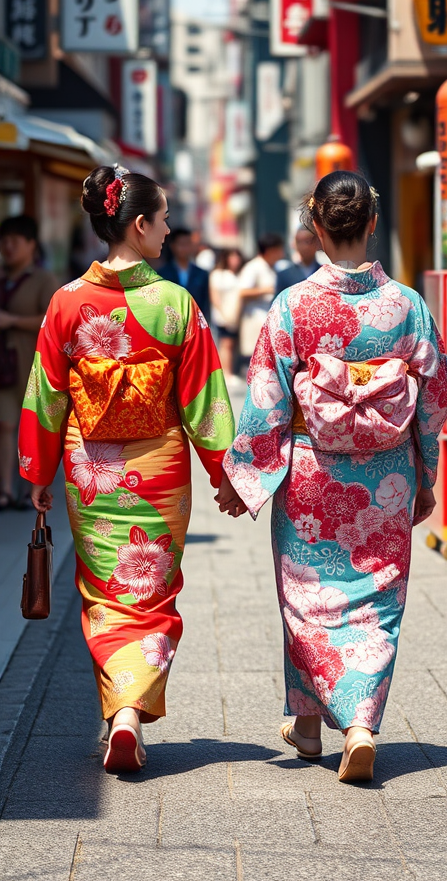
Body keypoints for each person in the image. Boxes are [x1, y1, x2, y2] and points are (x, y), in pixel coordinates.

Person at [216, 170, 447, 783]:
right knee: (377, 602)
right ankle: (347, 725)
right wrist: (426, 473)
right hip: (386, 477)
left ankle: (327, 722)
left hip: (312, 476)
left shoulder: (295, 304)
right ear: (372, 224)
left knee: (308, 601)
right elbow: (432, 399)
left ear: (317, 230)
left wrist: (243, 477)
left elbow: (267, 398)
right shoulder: (406, 305)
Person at [18, 166, 234, 773]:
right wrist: (225, 473)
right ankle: (132, 712)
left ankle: (121, 715)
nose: (168, 232)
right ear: (138, 225)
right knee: (152, 589)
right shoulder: (174, 304)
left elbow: (46, 395)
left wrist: (38, 470)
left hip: (92, 470)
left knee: (105, 591)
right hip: (160, 468)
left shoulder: (65, 303)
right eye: (163, 220)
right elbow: (204, 400)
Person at [0, 215, 57, 509]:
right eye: (4, 241)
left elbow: (52, 319)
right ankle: (6, 489)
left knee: (31, 425)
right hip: (5, 363)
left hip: (31, 360)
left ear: (31, 244)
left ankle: (30, 488)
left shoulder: (43, 279)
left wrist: (13, 320)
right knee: (6, 424)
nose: (8, 247)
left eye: (15, 241)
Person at [238, 233, 284, 369]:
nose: (281, 254)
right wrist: (268, 290)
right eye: (279, 250)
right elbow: (243, 291)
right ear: (270, 251)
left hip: (268, 318)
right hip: (255, 318)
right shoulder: (253, 267)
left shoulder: (273, 267)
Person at [159, 227, 211, 321]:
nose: (185, 248)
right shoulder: (162, 274)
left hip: (195, 323)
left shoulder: (202, 274)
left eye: (188, 244)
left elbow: (205, 304)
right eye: (181, 244)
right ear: (173, 246)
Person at [209, 248, 243, 382]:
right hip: (223, 314)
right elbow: (215, 296)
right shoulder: (218, 274)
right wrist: (223, 313)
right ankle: (226, 373)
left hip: (236, 314)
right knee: (226, 343)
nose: (235, 260)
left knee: (232, 344)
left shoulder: (238, 275)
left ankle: (230, 370)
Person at [274, 226, 322, 296]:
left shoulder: (324, 273)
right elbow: (277, 302)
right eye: (299, 242)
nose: (303, 246)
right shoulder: (285, 275)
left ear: (317, 243)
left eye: (307, 242)